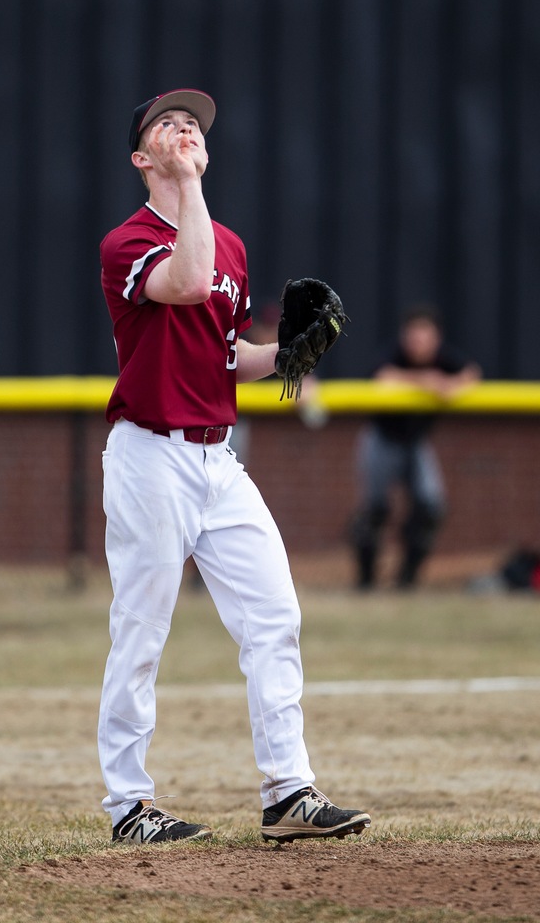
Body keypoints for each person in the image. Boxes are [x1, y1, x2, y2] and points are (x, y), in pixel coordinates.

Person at [97, 88, 371, 846]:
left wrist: (285, 353)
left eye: (194, 126)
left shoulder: (232, 246)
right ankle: (129, 806)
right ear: (141, 158)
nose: (185, 128)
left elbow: (224, 354)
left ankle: (289, 793)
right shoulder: (126, 241)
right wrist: (188, 188)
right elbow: (183, 284)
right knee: (142, 631)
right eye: (167, 125)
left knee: (275, 617)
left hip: (218, 458)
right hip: (150, 456)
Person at [351, 305, 481, 590]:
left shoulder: (445, 357)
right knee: (375, 510)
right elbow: (382, 378)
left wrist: (451, 385)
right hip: (382, 439)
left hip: (416, 443)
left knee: (430, 507)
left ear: (436, 339)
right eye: (414, 337)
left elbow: (471, 374)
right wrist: (428, 382)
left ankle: (407, 578)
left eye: (425, 337)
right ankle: (366, 580)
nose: (419, 343)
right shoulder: (393, 354)